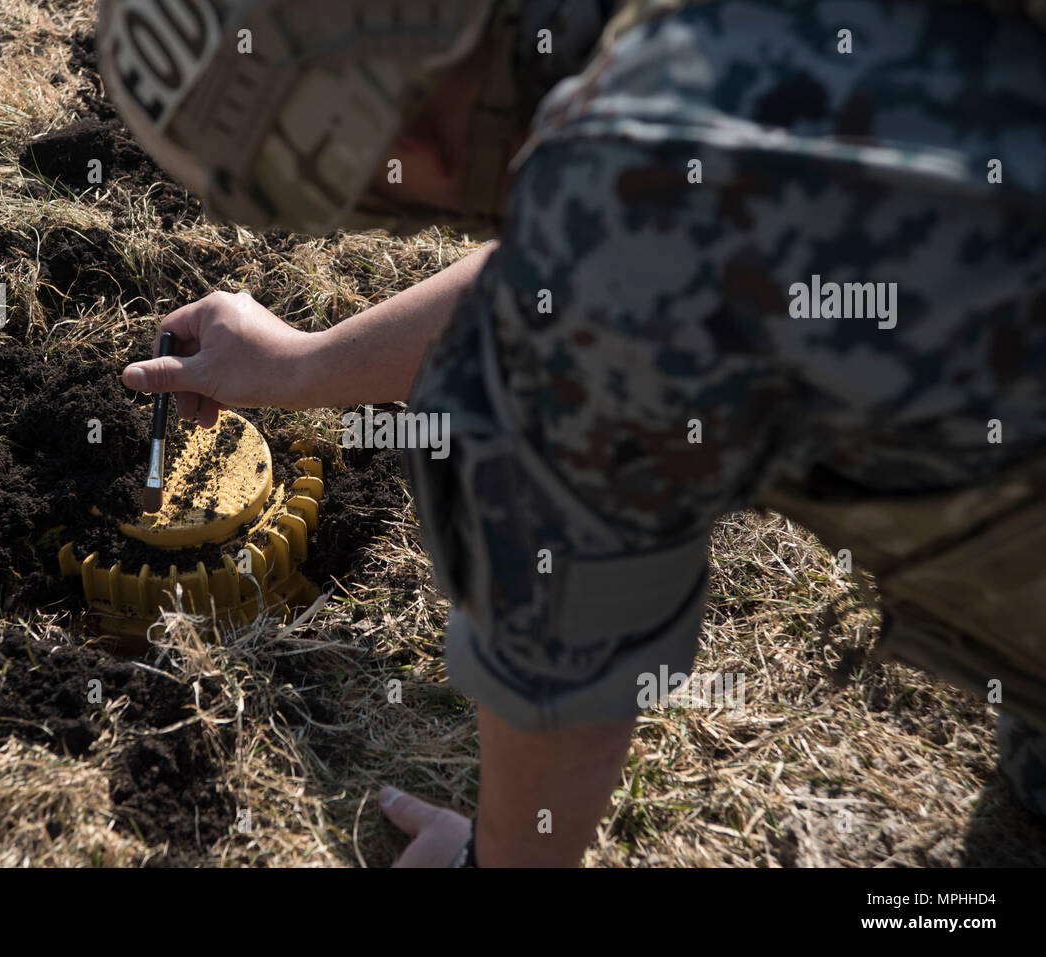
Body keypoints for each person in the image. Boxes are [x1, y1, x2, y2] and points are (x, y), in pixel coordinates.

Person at [102, 0, 1046, 866]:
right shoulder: (659, 91)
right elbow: (601, 239)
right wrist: (302, 364)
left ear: (411, 147)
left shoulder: (620, 208)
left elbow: (561, 652)